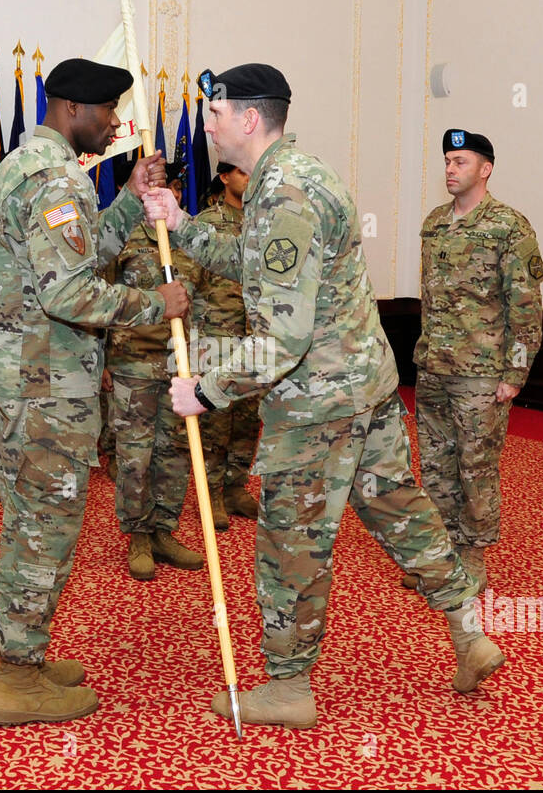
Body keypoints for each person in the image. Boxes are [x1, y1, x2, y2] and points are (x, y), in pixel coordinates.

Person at [147, 63, 504, 729]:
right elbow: (259, 268)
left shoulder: (281, 193)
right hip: (364, 386)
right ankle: (467, 630)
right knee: (400, 510)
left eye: (216, 113)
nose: (207, 124)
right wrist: (183, 225)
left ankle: (287, 686)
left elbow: (283, 336)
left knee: (291, 545)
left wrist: (209, 389)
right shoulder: (296, 177)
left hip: (317, 405)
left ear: (249, 119)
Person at [0, 57, 189, 726]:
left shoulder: (31, 167)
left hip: (30, 374)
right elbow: (68, 291)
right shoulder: (52, 176)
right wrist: (156, 303)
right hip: (42, 381)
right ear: (74, 109)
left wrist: (128, 196)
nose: (117, 124)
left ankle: (28, 655)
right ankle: (16, 679)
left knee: (33, 518)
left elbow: (79, 252)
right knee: (44, 524)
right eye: (108, 113)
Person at [404, 128, 543, 592]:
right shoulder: (434, 223)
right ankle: (442, 552)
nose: (450, 169)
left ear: (485, 169)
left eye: (460, 162)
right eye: (447, 161)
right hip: (435, 368)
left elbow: (524, 307)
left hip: (482, 375)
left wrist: (514, 373)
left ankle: (474, 553)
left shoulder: (509, 225)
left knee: (476, 464)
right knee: (437, 464)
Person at [107, 162, 206, 579]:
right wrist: (102, 366)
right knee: (134, 456)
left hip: (179, 363)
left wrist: (201, 364)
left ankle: (163, 529)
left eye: (173, 187)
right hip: (132, 363)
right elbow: (101, 301)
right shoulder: (119, 239)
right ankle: (138, 535)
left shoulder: (189, 236)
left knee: (176, 452)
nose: (166, 192)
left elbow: (201, 304)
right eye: (155, 185)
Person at [192, 162, 261, 528]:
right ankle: (213, 492)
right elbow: (189, 280)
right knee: (216, 422)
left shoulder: (262, 220)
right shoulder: (206, 222)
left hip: (256, 338)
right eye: (241, 173)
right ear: (223, 177)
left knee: (248, 421)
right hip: (215, 337)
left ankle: (236, 486)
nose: (248, 179)